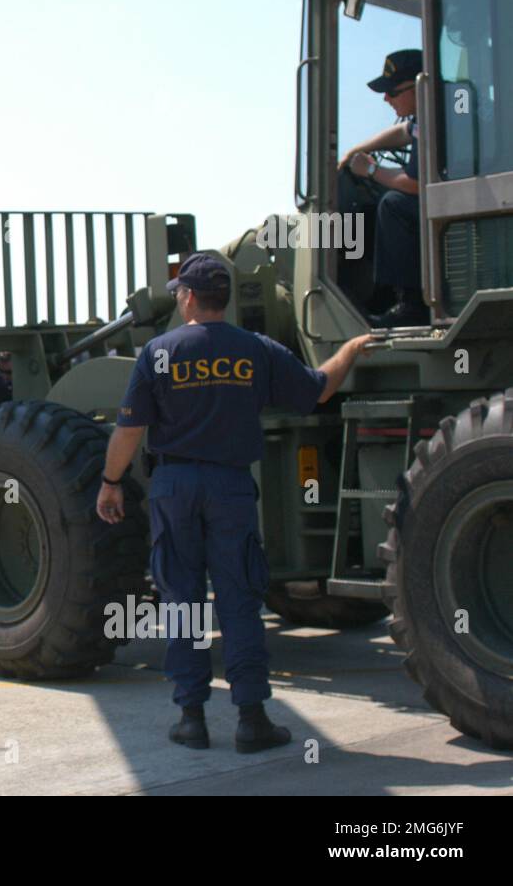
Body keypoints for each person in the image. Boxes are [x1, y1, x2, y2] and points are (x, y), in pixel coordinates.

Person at [96, 253, 374, 753]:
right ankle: (251, 720)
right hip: (230, 488)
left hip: (174, 487)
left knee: (183, 603)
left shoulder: (159, 352)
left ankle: (192, 719)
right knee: (240, 600)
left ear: (187, 297)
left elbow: (130, 429)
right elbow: (319, 391)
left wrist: (111, 481)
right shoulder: (257, 350)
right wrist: (350, 348)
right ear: (221, 297)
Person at [339, 49, 425, 328]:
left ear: (419, 85)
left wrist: (372, 170)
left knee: (392, 205)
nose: (386, 99)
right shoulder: (431, 110)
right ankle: (386, 298)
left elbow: (414, 185)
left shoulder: (437, 116)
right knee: (376, 209)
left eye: (393, 91)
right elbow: (403, 132)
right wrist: (359, 148)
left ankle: (412, 306)